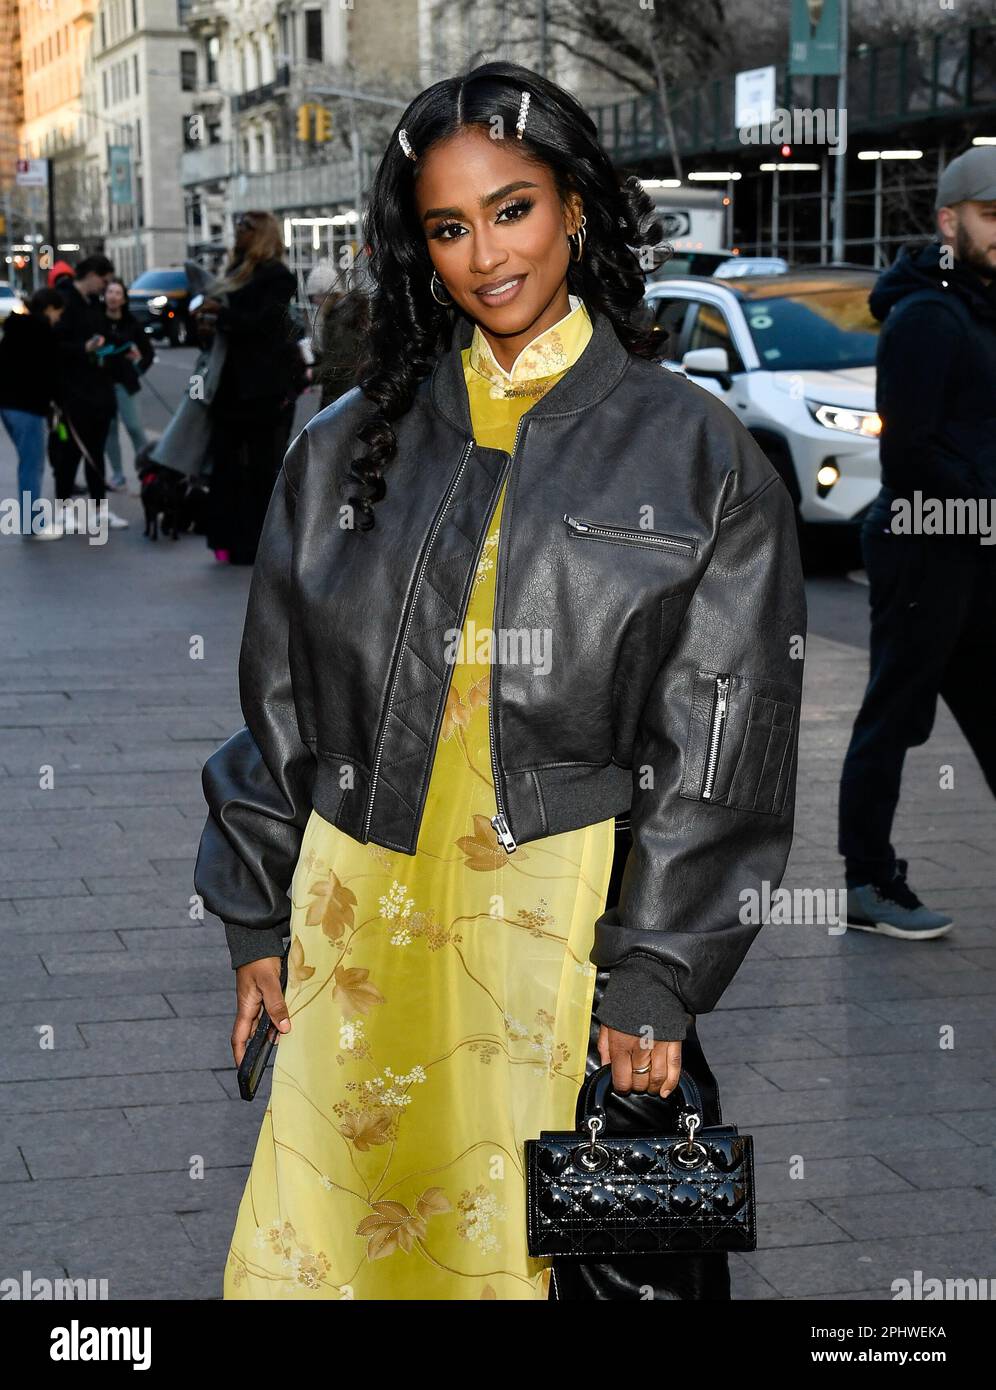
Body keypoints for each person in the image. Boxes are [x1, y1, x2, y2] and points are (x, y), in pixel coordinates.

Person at [193, 62, 806, 1301]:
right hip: (363, 914)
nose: (488, 254)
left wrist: (658, 969)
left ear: (575, 206)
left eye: (513, 208)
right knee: (357, 1250)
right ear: (420, 250)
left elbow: (722, 740)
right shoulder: (341, 448)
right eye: (450, 226)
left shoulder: (697, 456)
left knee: (540, 1261)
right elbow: (282, 706)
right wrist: (254, 910)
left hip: (555, 931)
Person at [838, 145, 996, 940]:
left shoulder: (977, 308)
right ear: (948, 220)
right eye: (992, 215)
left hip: (974, 553)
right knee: (893, 717)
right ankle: (867, 884)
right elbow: (910, 454)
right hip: (924, 550)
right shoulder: (927, 316)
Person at [194, 210, 298, 565]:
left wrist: (221, 316)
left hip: (261, 385)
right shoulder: (237, 272)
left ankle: (256, 543)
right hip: (232, 384)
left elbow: (265, 326)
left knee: (258, 466)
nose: (237, 233)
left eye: (245, 228)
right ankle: (226, 538)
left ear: (261, 234)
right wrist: (208, 322)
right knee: (225, 463)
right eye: (237, 226)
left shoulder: (277, 276)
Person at [50, 253, 130, 531]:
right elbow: (55, 345)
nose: (104, 288)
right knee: (71, 451)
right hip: (74, 391)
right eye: (104, 281)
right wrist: (83, 348)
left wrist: (122, 346)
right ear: (93, 275)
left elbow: (105, 334)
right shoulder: (65, 300)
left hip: (97, 387)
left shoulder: (93, 304)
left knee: (95, 452)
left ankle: (99, 509)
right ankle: (63, 509)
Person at [0, 287, 66, 539]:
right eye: (58, 313)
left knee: (27, 464)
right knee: (32, 465)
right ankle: (32, 524)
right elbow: (51, 374)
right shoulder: (44, 333)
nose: (59, 319)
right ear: (50, 309)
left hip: (7, 405)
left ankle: (31, 521)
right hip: (30, 407)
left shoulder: (14, 329)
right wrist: (60, 403)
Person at [100, 278, 155, 491]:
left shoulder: (132, 323)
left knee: (134, 427)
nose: (113, 296)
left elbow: (149, 353)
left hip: (126, 383)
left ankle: (147, 472)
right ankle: (118, 475)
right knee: (110, 429)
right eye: (109, 292)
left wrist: (137, 368)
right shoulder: (97, 321)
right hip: (102, 383)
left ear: (123, 299)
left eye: (117, 293)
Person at [305, 257, 368, 408]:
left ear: (328, 294)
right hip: (342, 392)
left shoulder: (343, 320)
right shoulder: (340, 314)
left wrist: (312, 373)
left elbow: (341, 363)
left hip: (343, 393)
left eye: (316, 297)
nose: (315, 303)